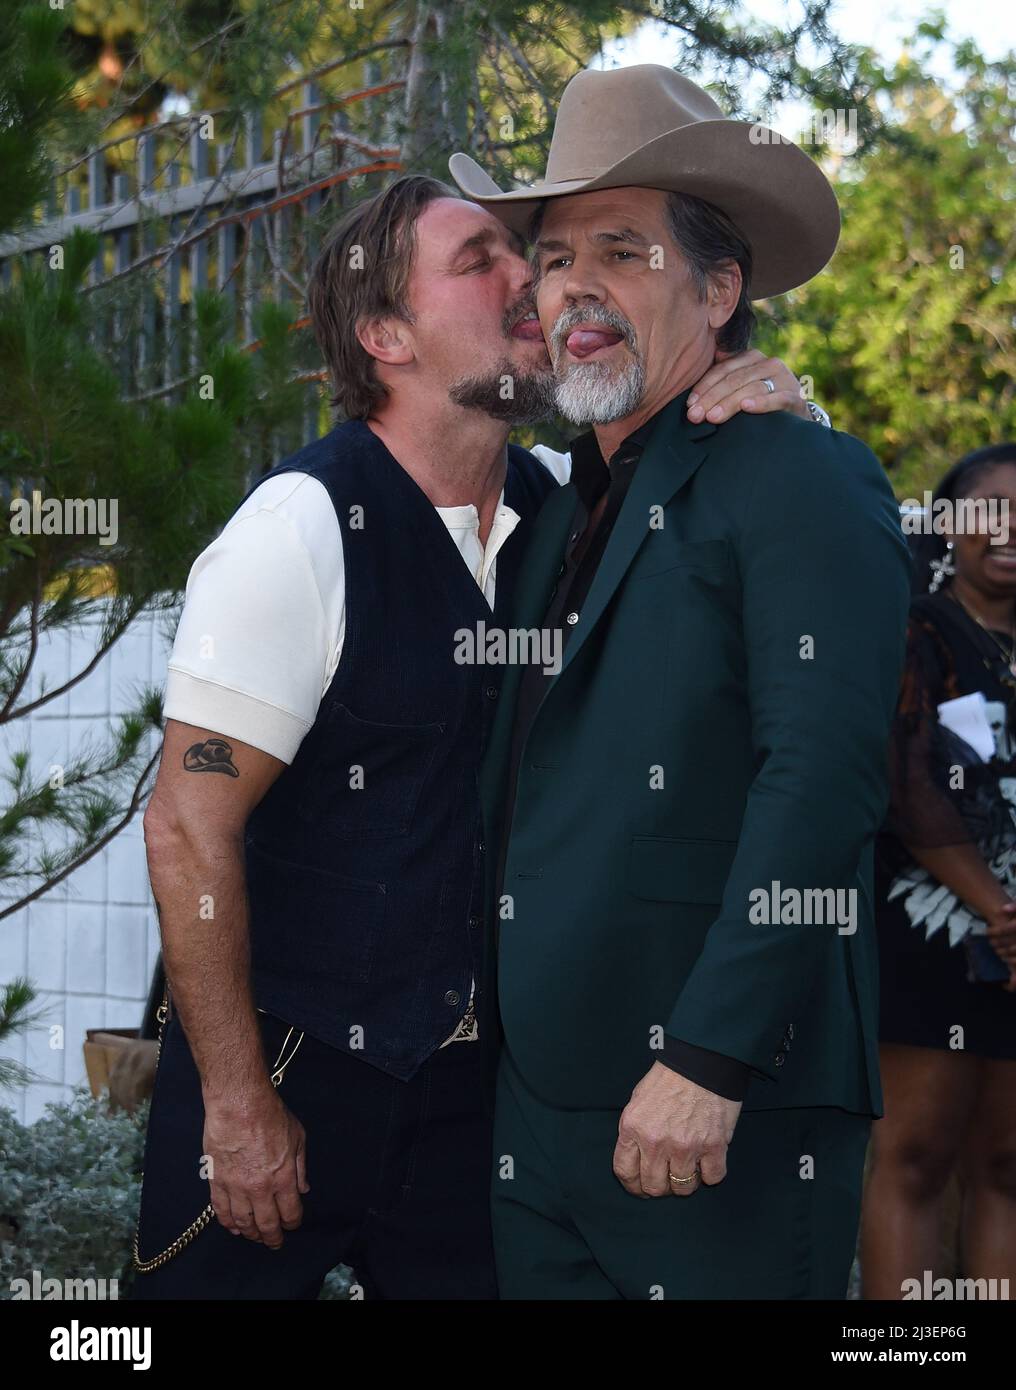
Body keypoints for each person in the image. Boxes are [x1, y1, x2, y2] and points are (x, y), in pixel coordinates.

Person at [129, 166, 817, 1299]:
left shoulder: (568, 508)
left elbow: (725, 530)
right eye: (482, 261)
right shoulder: (299, 527)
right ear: (386, 332)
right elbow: (184, 830)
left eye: (523, 255)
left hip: (479, 1099)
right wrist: (238, 1100)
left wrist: (775, 404)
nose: (532, 282)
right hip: (289, 1061)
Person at [449, 62, 910, 1299]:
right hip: (539, 1114)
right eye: (551, 257)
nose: (573, 286)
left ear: (718, 289)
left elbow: (818, 781)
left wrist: (705, 1059)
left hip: (718, 1111)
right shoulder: (552, 515)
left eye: (623, 250)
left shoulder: (800, 478)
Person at [862, 444, 1016, 1299]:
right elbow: (905, 779)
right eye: (987, 506)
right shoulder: (916, 627)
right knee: (916, 1158)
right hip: (935, 939)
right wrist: (998, 909)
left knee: (1007, 1164)